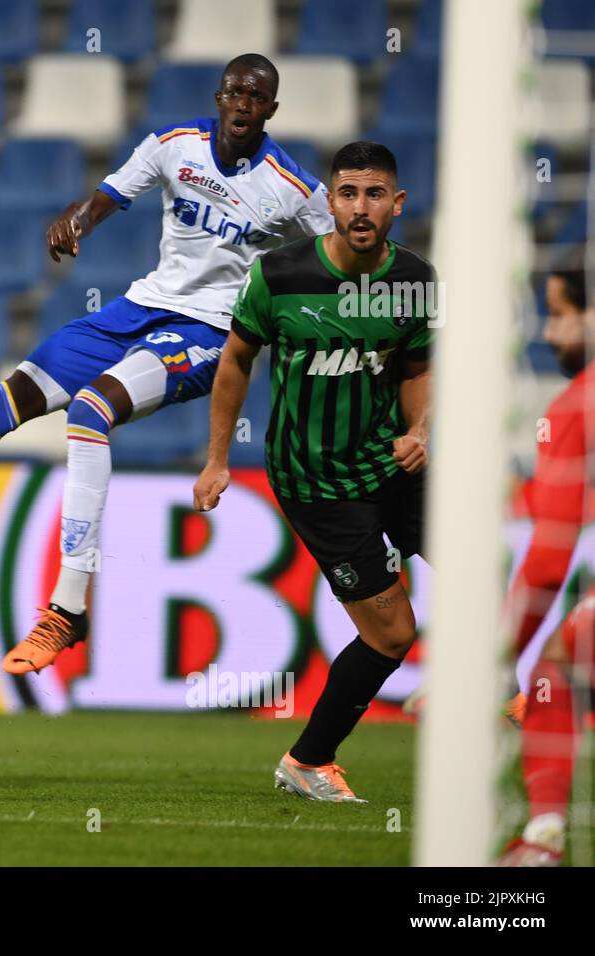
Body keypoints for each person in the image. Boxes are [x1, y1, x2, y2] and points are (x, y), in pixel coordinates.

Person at [0, 53, 333, 674]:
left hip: (207, 332)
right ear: (219, 97)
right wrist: (79, 220)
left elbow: (338, 255)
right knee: (0, 404)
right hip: (139, 307)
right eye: (235, 92)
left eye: (257, 97)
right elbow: (110, 194)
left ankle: (67, 609)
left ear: (271, 110)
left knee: (91, 410)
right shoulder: (173, 146)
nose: (243, 105)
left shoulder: (293, 188)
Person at [194, 140, 434, 802]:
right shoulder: (280, 274)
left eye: (375, 194)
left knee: (478, 565)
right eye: (348, 193)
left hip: (391, 464)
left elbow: (416, 367)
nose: (361, 208)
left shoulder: (414, 279)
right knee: (391, 633)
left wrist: (419, 431)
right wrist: (217, 460)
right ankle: (307, 761)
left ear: (397, 203)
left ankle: (486, 696)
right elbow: (236, 360)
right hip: (319, 484)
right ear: (330, 200)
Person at [498, 261, 593, 866]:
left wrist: (495, 658)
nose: (551, 335)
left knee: (554, 671)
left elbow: (549, 561)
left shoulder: (574, 407)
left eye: (559, 316)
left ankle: (543, 839)